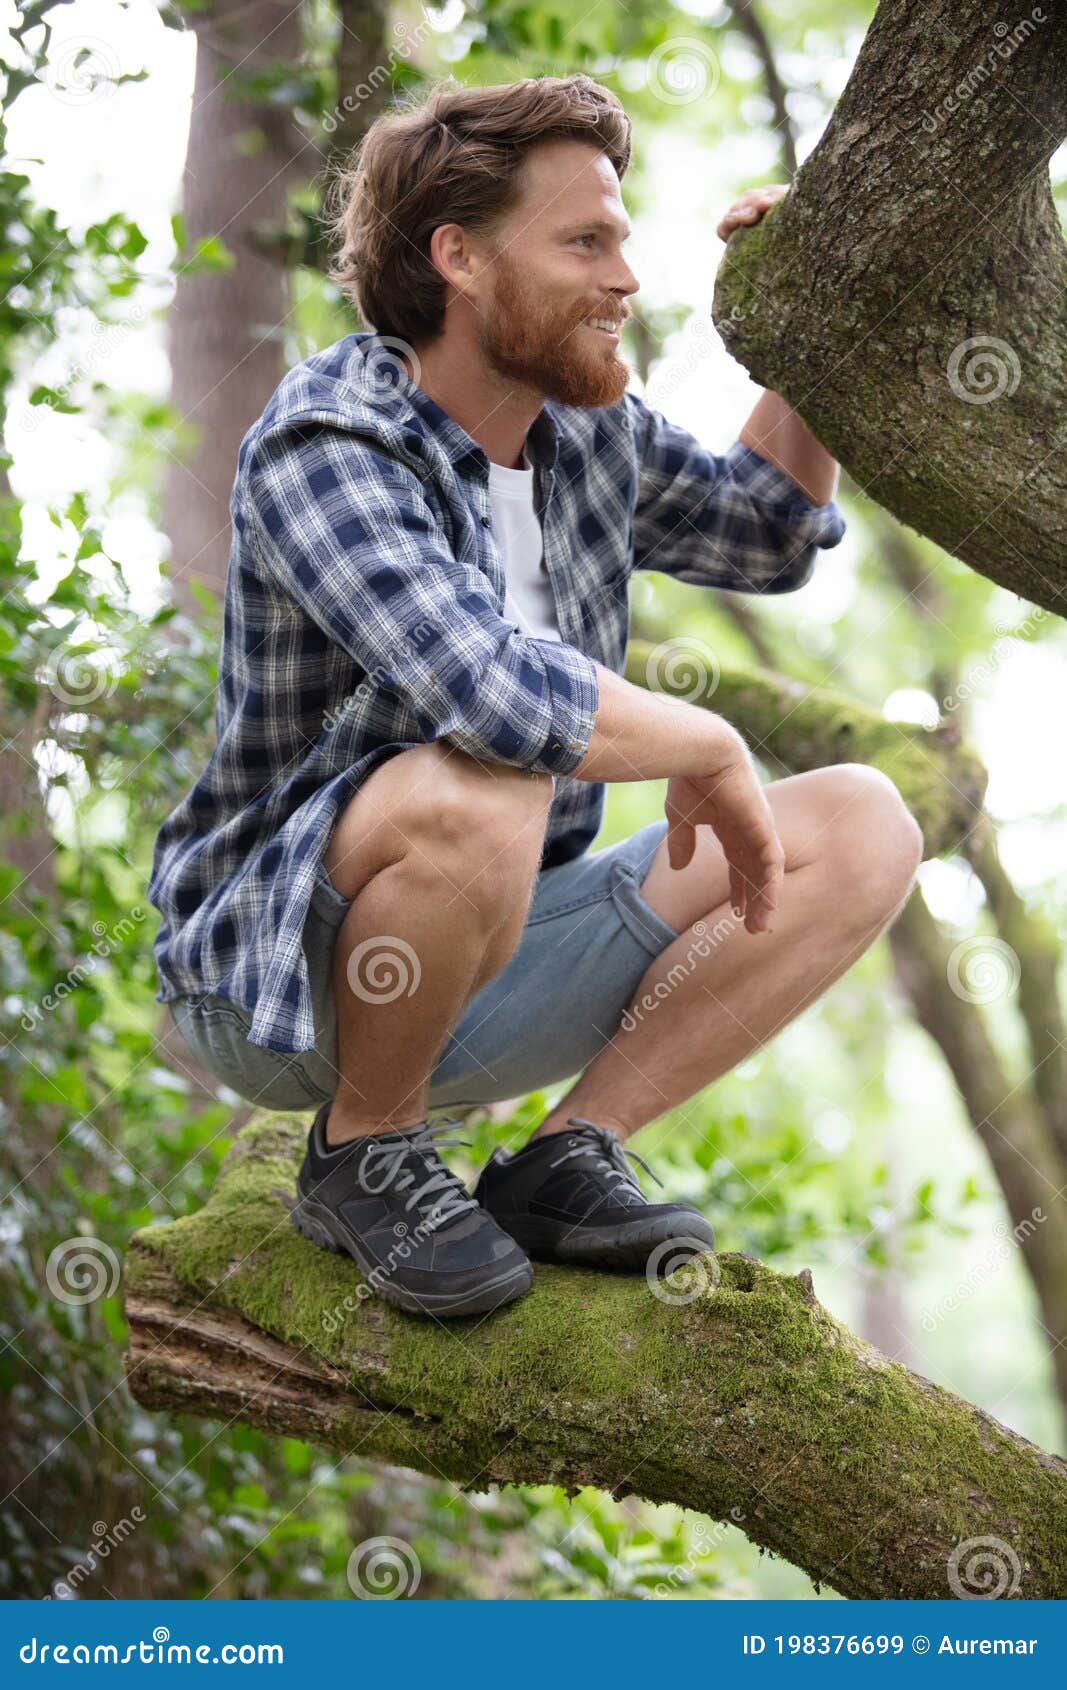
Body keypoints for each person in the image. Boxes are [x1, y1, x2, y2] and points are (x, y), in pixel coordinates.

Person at [148, 74, 923, 1321]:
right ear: (457, 256)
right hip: (272, 979)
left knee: (864, 822)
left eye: (619, 240)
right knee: (488, 775)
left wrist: (808, 324)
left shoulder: (582, 432)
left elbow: (771, 530)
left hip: (488, 955)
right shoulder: (332, 436)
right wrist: (703, 738)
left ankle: (564, 1158)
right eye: (584, 241)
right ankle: (363, 1152)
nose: (625, 275)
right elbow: (487, 692)